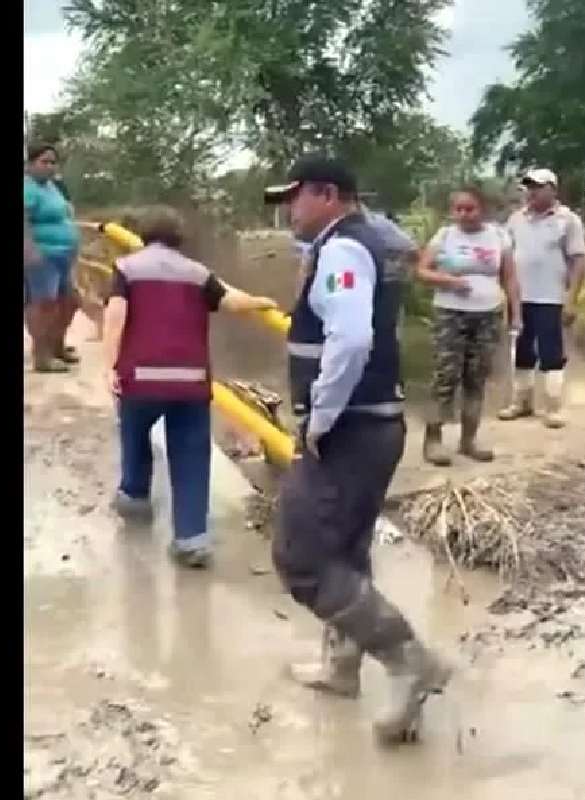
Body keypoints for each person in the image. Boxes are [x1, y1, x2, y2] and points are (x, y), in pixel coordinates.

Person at [263, 155, 452, 743]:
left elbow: (350, 339)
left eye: (293, 197)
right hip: (373, 424)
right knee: (345, 550)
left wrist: (318, 419)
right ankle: (344, 667)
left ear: (326, 194)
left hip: (349, 428)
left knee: (303, 560)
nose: (287, 210)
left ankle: (410, 663)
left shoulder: (342, 249)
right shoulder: (369, 239)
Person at [102, 206, 277, 568]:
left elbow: (115, 318)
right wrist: (264, 302)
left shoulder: (127, 269)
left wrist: (110, 366)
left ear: (143, 234)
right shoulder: (198, 273)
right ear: (180, 239)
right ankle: (191, 539)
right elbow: (233, 302)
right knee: (192, 456)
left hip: (141, 380)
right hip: (191, 381)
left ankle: (134, 496)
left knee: (135, 437)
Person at [414, 186, 522, 465]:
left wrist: (515, 313)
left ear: (482, 209)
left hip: (487, 315)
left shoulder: (499, 236)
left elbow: (510, 278)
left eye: (469, 208)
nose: (463, 214)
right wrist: (447, 281)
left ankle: (468, 440)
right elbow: (422, 271)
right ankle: (434, 440)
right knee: (445, 377)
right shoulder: (445, 235)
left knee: (477, 378)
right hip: (450, 315)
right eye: (458, 209)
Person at [498, 168, 585, 427]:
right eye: (529, 187)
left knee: (552, 352)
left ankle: (553, 406)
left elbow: (579, 261)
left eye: (538, 187)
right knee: (522, 349)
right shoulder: (516, 219)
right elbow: (506, 256)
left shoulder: (567, 220)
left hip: (551, 297)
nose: (532, 192)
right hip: (520, 297)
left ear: (552, 189)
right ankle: (521, 402)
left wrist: (572, 299)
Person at [24, 145, 81, 373]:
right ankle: (42, 355)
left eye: (52, 162)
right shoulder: (28, 188)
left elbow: (65, 216)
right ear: (30, 164)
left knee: (70, 301)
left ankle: (57, 345)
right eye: (44, 162)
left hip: (63, 254)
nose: (49, 166)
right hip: (43, 254)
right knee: (44, 304)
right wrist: (29, 249)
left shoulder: (52, 187)